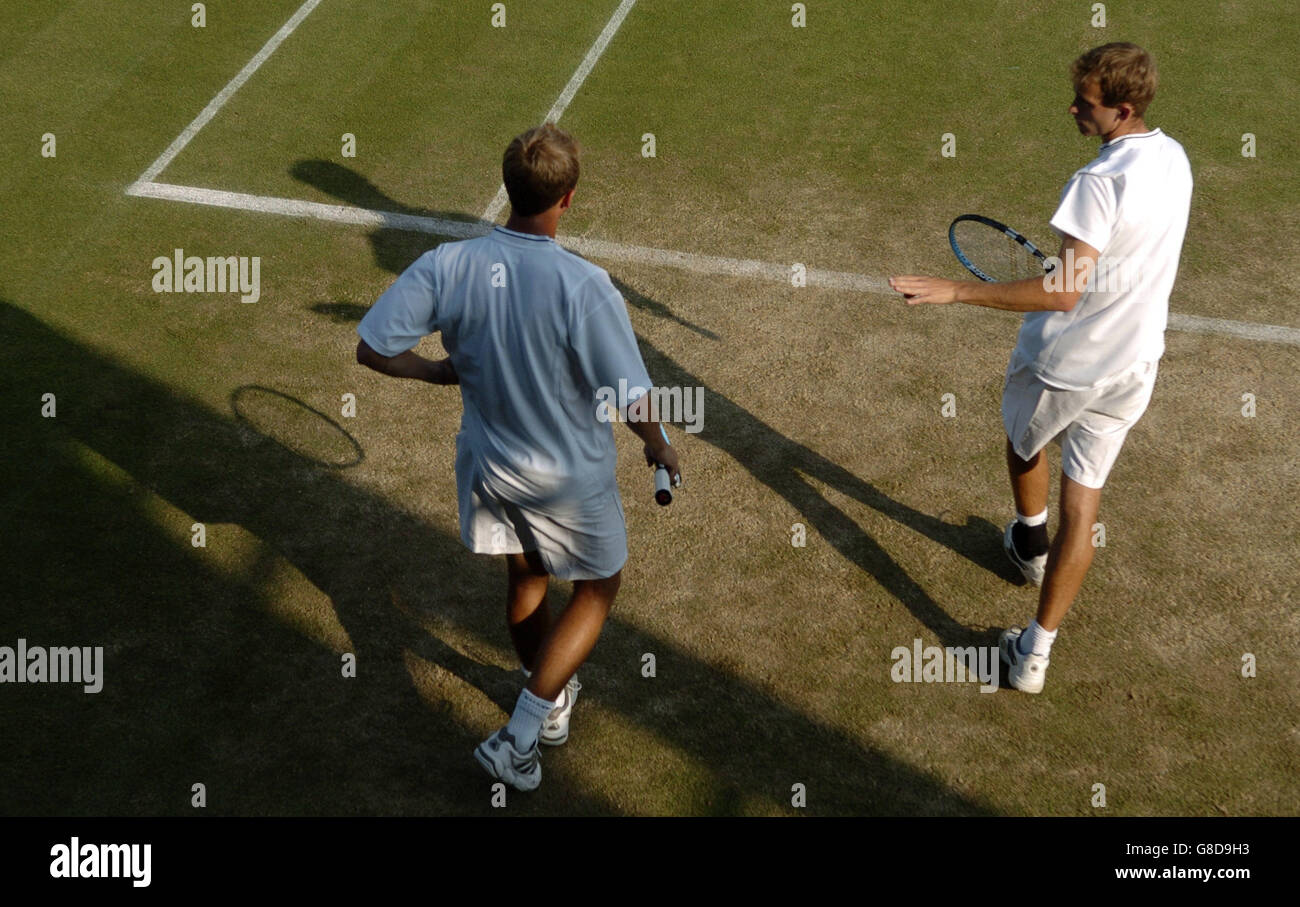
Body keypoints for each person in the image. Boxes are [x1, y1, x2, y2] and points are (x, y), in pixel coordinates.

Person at [355, 123, 680, 787]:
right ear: (569, 198)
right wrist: (659, 443)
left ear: (510, 189)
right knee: (596, 588)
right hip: (570, 480)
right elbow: (630, 392)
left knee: (528, 578)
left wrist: (441, 374)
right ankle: (522, 732)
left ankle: (552, 700)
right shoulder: (586, 285)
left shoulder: (448, 266)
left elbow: (374, 348)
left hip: (492, 470)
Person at [888, 43, 1192, 693]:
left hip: (1067, 363)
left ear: (1124, 108)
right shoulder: (1174, 159)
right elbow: (1113, 262)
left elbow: (1063, 292)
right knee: (1083, 507)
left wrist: (956, 290)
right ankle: (1034, 655)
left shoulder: (1095, 184)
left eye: (1086, 104)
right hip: (1135, 363)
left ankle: (1028, 544)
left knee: (1023, 438)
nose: (1074, 110)